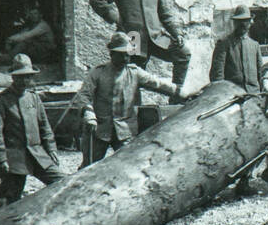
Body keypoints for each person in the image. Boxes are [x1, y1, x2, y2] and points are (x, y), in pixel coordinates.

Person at [89, 0, 190, 97]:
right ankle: (134, 109)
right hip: (133, 39)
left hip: (156, 38)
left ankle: (176, 96)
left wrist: (177, 33)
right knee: (132, 75)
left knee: (183, 53)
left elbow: (166, 15)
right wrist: (114, 16)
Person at [75, 32, 187, 163]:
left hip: (125, 131)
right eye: (121, 54)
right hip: (100, 129)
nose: (126, 57)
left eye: (128, 54)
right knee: (89, 167)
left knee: (129, 164)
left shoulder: (134, 73)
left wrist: (182, 92)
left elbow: (158, 84)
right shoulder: (98, 72)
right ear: (112, 54)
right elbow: (83, 95)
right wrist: (88, 113)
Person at [0, 54, 62, 204]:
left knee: (61, 181)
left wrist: (51, 149)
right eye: (20, 77)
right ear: (13, 78)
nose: (24, 81)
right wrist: (1, 160)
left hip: (37, 154)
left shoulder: (34, 98)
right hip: (14, 157)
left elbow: (44, 126)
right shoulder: (0, 101)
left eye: (27, 77)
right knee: (13, 198)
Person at [209, 4, 261, 91]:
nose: (243, 24)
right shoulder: (224, 44)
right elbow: (217, 76)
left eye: (246, 21)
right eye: (239, 21)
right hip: (233, 95)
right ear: (234, 22)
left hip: (254, 94)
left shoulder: (255, 45)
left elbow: (261, 73)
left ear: (250, 23)